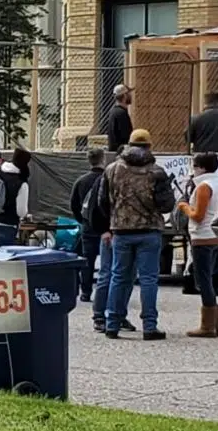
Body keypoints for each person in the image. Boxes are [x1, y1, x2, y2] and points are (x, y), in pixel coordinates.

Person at [101, 129, 174, 340]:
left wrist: (111, 222)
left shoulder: (112, 169)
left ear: (129, 144)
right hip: (149, 231)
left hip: (121, 230)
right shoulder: (157, 172)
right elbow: (166, 205)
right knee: (149, 279)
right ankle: (149, 326)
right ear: (149, 146)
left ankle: (112, 324)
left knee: (118, 277)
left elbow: (102, 202)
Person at [177, 152, 218, 337]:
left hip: (203, 237)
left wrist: (184, 206)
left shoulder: (204, 186)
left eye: (194, 166)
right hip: (216, 235)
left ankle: (207, 325)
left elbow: (198, 216)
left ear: (201, 167)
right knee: (214, 278)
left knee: (204, 280)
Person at [69, 148, 106, 303]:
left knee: (87, 261)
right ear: (103, 159)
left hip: (88, 227)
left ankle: (86, 292)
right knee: (108, 263)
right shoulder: (107, 179)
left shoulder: (81, 181)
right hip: (106, 228)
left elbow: (73, 204)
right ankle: (105, 293)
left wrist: (82, 220)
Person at [107, 84, 133, 154]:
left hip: (116, 152)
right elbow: (126, 136)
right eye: (129, 93)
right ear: (124, 96)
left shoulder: (114, 111)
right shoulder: (121, 113)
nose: (131, 95)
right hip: (121, 153)